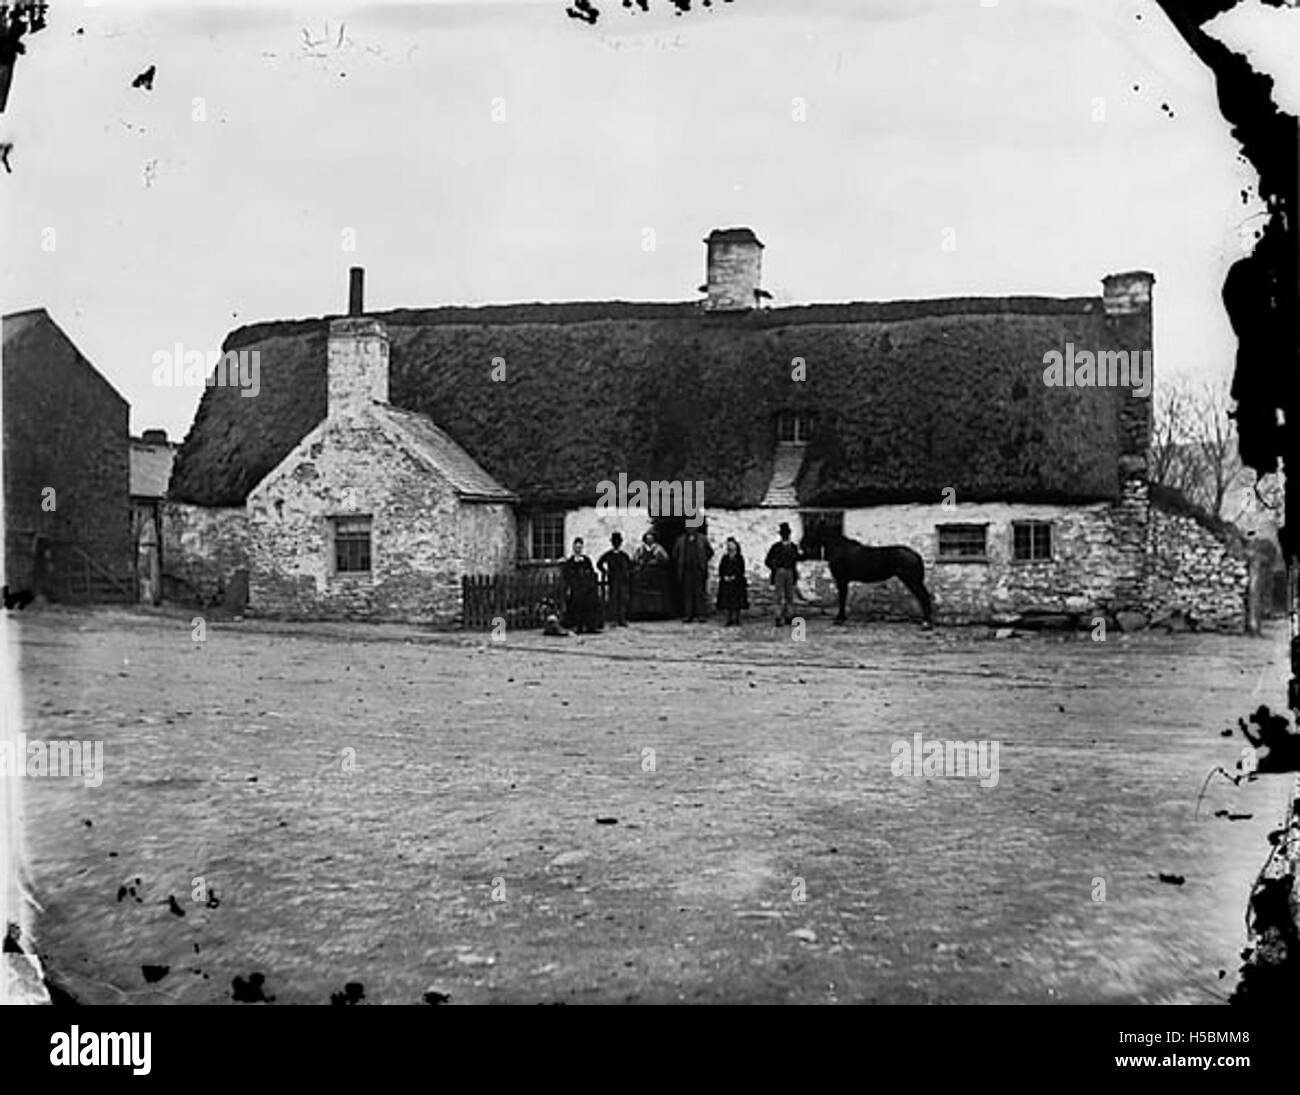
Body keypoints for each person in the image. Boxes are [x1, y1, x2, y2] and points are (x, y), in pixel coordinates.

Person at [561, 538, 603, 634]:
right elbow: (567, 576)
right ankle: (578, 626)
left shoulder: (586, 560)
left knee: (589, 606)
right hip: (576, 588)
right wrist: (569, 587)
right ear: (573, 548)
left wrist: (591, 584)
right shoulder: (570, 562)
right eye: (576, 547)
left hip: (586, 588)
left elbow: (591, 573)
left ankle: (589, 626)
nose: (578, 549)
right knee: (576, 607)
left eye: (580, 547)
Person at [764, 521, 801, 627]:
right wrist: (775, 568)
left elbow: (796, 559)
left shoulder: (793, 547)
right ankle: (778, 617)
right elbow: (768, 561)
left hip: (790, 571)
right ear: (781, 535)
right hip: (779, 572)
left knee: (789, 595)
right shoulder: (776, 547)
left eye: (787, 534)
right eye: (784, 534)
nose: (786, 536)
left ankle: (789, 616)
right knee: (778, 596)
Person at [674, 526, 713, 622]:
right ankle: (688, 615)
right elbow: (675, 553)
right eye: (689, 527)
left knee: (700, 593)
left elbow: (710, 552)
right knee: (687, 594)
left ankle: (701, 615)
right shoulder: (681, 540)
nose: (691, 529)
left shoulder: (702, 539)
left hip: (698, 570)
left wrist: (703, 561)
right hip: (686, 571)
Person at [630, 531, 671, 619]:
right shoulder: (641, 548)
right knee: (643, 593)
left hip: (656, 574)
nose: (649, 540)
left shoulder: (658, 548)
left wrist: (657, 561)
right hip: (644, 574)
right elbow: (634, 558)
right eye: (647, 539)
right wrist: (640, 562)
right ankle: (643, 612)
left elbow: (666, 559)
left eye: (651, 538)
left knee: (656, 593)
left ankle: (657, 612)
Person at [597, 532, 632, 627]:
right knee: (613, 599)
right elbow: (599, 563)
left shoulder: (624, 555)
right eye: (615, 542)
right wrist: (605, 572)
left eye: (618, 542)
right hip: (613, 579)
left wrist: (627, 573)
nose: (616, 544)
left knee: (622, 599)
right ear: (612, 543)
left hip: (622, 580)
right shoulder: (608, 555)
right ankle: (614, 619)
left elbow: (630, 565)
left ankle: (622, 619)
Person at [716, 537, 749, 626]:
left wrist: (735, 576)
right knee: (728, 602)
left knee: (737, 602)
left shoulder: (739, 558)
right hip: (727, 582)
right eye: (728, 545)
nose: (730, 547)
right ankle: (729, 619)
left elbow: (741, 569)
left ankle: (737, 618)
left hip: (737, 583)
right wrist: (724, 576)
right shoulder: (725, 558)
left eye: (731, 545)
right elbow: (721, 568)